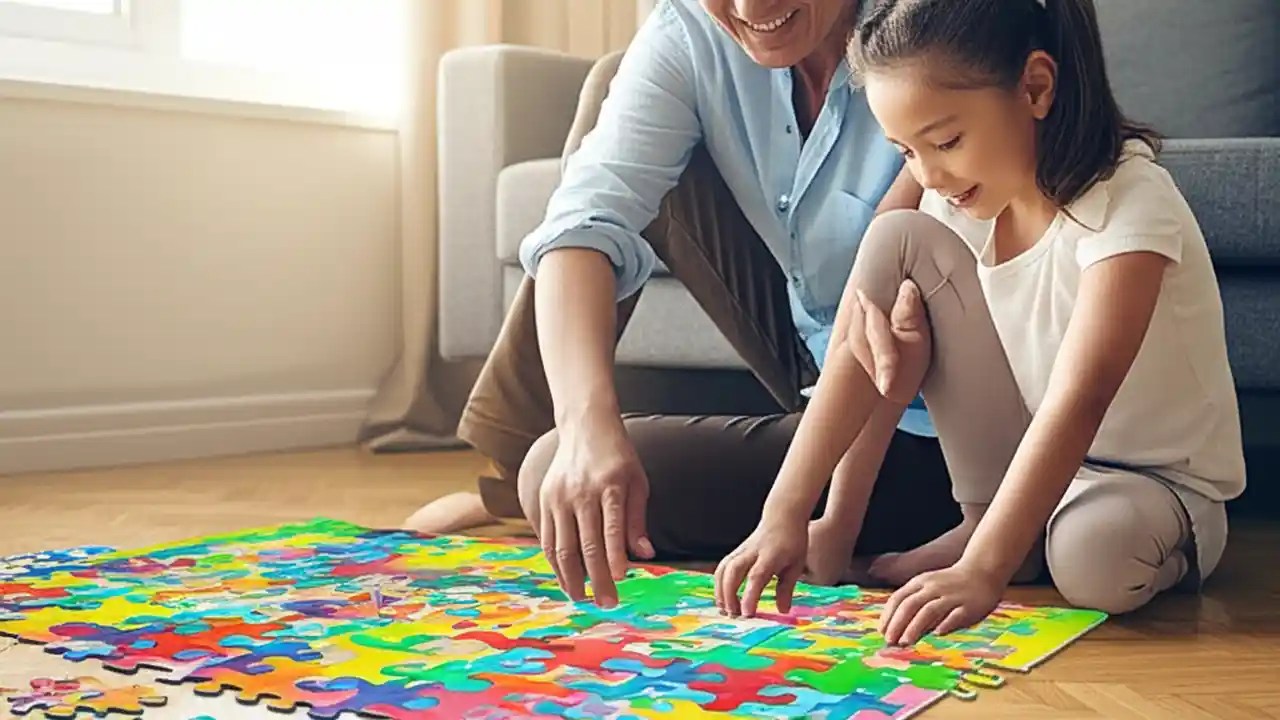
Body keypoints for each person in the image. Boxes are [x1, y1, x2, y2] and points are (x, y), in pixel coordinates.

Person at [406, 0, 992, 608]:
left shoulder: (935, 33)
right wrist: (586, 429)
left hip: (928, 418)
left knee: (546, 471)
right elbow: (588, 218)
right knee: (621, 87)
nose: (748, 7)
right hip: (818, 347)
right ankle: (531, 472)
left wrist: (822, 517)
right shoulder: (692, 29)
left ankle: (537, 478)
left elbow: (881, 309)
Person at [715, 0, 1246, 646]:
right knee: (892, 241)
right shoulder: (958, 196)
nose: (929, 175)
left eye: (945, 142)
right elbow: (871, 321)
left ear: (1035, 88)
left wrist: (982, 569)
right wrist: (789, 516)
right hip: (1020, 463)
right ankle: (856, 529)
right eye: (905, 152)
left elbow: (1081, 399)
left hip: (1152, 484)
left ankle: (1012, 544)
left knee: (1092, 558)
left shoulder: (1130, 205)